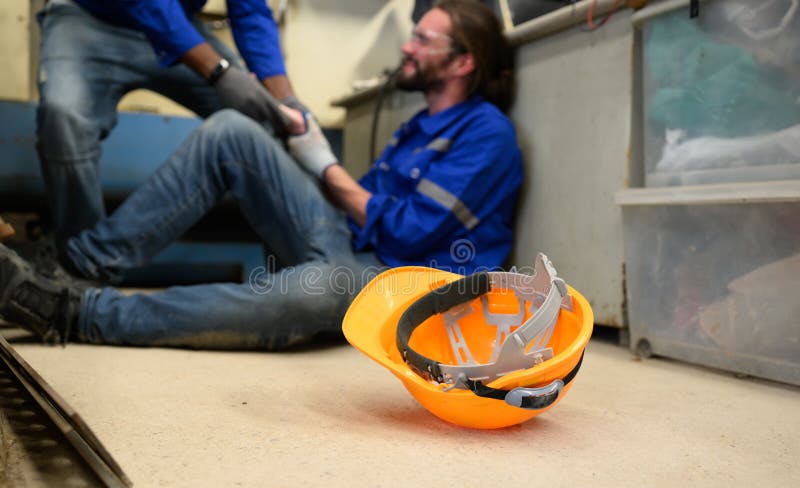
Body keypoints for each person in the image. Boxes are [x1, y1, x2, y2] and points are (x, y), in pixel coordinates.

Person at [0, 0, 522, 350]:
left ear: (462, 63)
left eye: (424, 40)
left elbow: (409, 233)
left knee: (312, 293)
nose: (407, 47)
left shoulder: (487, 134)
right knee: (232, 129)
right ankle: (78, 265)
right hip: (356, 243)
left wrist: (322, 163)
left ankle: (78, 314)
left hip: (403, 282)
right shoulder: (420, 125)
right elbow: (376, 217)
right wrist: (298, 140)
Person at [36, 0, 306, 247]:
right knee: (64, 117)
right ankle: (79, 270)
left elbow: (251, 10)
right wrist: (219, 72)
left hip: (179, 20)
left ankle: (296, 280)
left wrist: (286, 101)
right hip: (88, 15)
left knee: (271, 127)